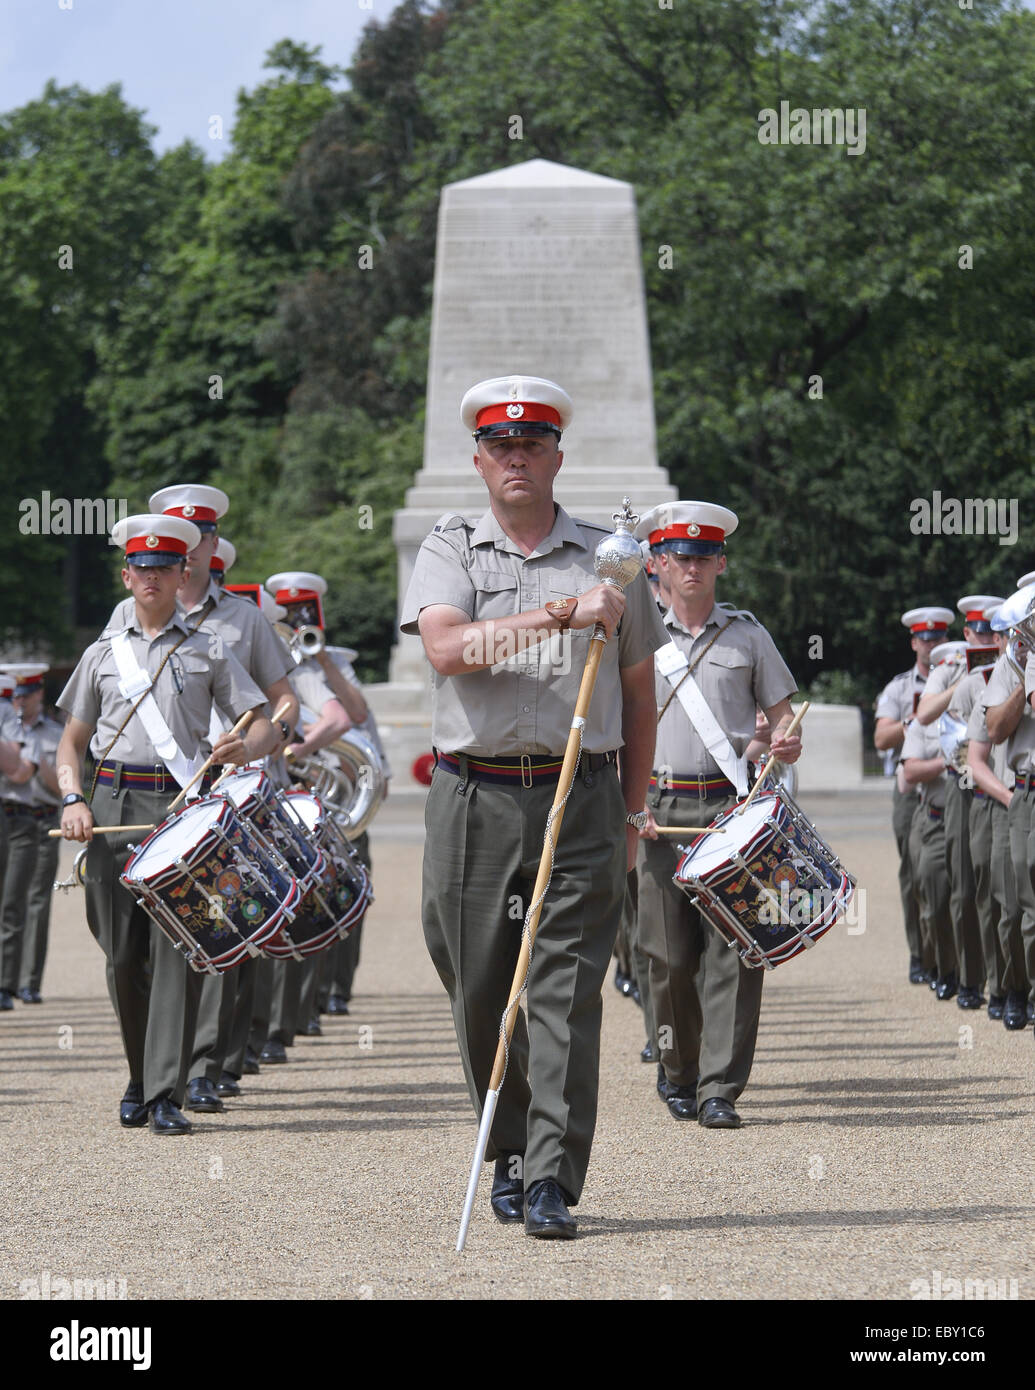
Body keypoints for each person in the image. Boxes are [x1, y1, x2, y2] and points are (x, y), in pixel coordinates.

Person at [402, 375, 665, 1239]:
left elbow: (636, 698)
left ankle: (551, 1174)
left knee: (564, 992)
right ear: (479, 460)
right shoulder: (452, 546)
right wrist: (561, 612)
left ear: (557, 455)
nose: (517, 457)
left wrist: (630, 817)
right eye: (501, 446)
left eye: (533, 444)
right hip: (472, 794)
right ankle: (507, 1143)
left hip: (578, 793)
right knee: (478, 987)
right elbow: (447, 650)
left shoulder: (611, 558)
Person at [56, 513, 275, 1134]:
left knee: (177, 947)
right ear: (127, 575)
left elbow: (261, 722)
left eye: (164, 567)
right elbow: (69, 744)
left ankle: (164, 1094)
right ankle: (140, 1071)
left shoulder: (210, 649)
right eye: (141, 567)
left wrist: (247, 747)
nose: (152, 577)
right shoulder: (102, 654)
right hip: (112, 805)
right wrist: (73, 800)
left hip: (180, 808)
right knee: (122, 954)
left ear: (184, 573)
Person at [635, 501, 801, 1130]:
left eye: (705, 556)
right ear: (659, 564)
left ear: (722, 563)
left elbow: (784, 719)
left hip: (733, 807)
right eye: (682, 556)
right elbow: (612, 727)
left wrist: (785, 741)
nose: (694, 566)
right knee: (668, 954)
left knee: (737, 949)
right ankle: (678, 1068)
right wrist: (630, 807)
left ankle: (719, 1089)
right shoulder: (637, 634)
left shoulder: (749, 636)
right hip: (658, 805)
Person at [139, 487, 299, 1114]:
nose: (191, 547)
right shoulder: (131, 618)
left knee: (216, 918)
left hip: (228, 791)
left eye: (201, 536)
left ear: (210, 545)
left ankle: (206, 1064)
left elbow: (286, 701)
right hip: (160, 786)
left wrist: (265, 740)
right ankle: (156, 1066)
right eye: (180, 536)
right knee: (148, 930)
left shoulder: (245, 617)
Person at [874, 606, 954, 983]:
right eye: (925, 638)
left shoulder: (961, 676)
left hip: (953, 783)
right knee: (914, 874)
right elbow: (881, 738)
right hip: (911, 789)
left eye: (938, 637)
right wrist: (917, 719)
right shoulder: (900, 688)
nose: (932, 644)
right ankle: (920, 954)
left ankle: (954, 958)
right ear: (914, 643)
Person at [0, 665, 62, 1005]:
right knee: (10, 902)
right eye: (14, 696)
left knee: (36, 901)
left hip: (40, 820)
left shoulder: (54, 733)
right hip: (8, 817)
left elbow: (60, 784)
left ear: (38, 694)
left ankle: (28, 981)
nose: (19, 702)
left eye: (25, 695)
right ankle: (6, 979)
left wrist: (37, 761)